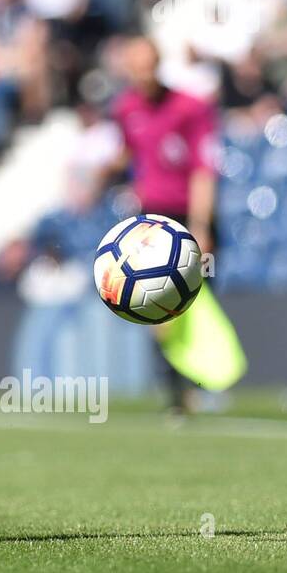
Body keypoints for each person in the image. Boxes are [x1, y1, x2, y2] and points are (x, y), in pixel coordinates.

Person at [108, 35, 222, 412]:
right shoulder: (125, 108)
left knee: (195, 306)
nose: (141, 74)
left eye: (147, 65)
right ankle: (177, 392)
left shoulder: (189, 107)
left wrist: (201, 225)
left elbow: (204, 169)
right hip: (152, 223)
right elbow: (129, 151)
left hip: (188, 219)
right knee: (157, 308)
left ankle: (199, 385)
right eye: (134, 67)